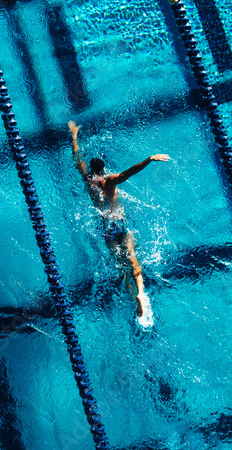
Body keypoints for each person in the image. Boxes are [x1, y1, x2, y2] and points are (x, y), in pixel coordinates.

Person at [68, 121, 170, 326]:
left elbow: (77, 158)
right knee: (133, 261)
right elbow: (128, 173)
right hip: (119, 224)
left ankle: (136, 304)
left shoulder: (88, 181)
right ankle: (141, 293)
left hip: (106, 229)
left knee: (120, 268)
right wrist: (150, 159)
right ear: (104, 170)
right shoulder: (108, 182)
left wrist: (74, 136)